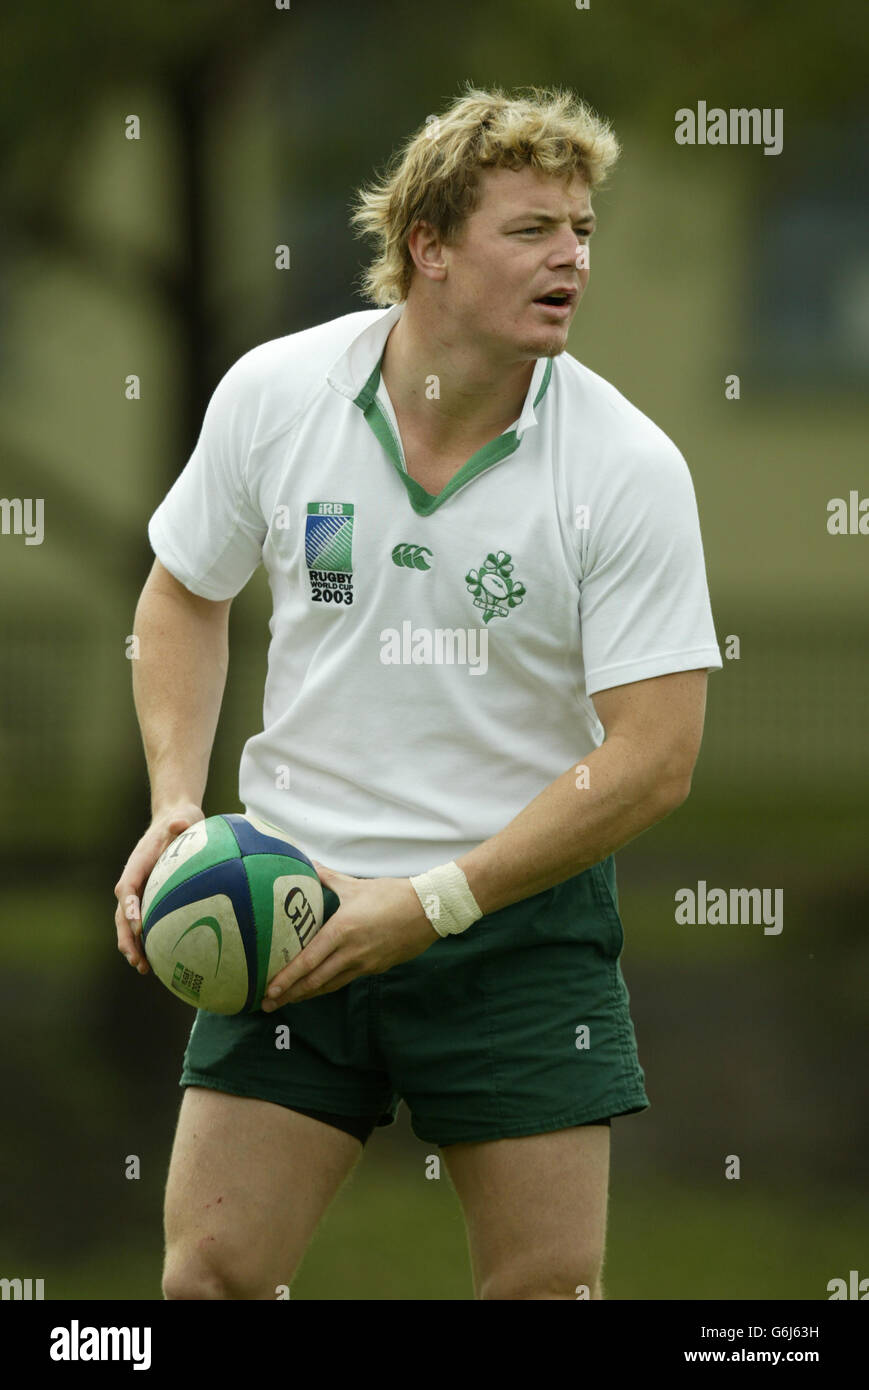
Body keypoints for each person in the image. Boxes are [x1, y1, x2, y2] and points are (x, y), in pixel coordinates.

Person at [114, 83, 722, 1301]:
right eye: (530, 229)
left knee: (544, 1296)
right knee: (209, 1282)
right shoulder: (278, 395)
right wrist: (177, 800)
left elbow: (654, 753)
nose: (569, 258)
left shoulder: (627, 466)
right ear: (426, 249)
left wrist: (434, 900)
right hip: (279, 902)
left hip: (514, 930)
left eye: (582, 231)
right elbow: (183, 593)